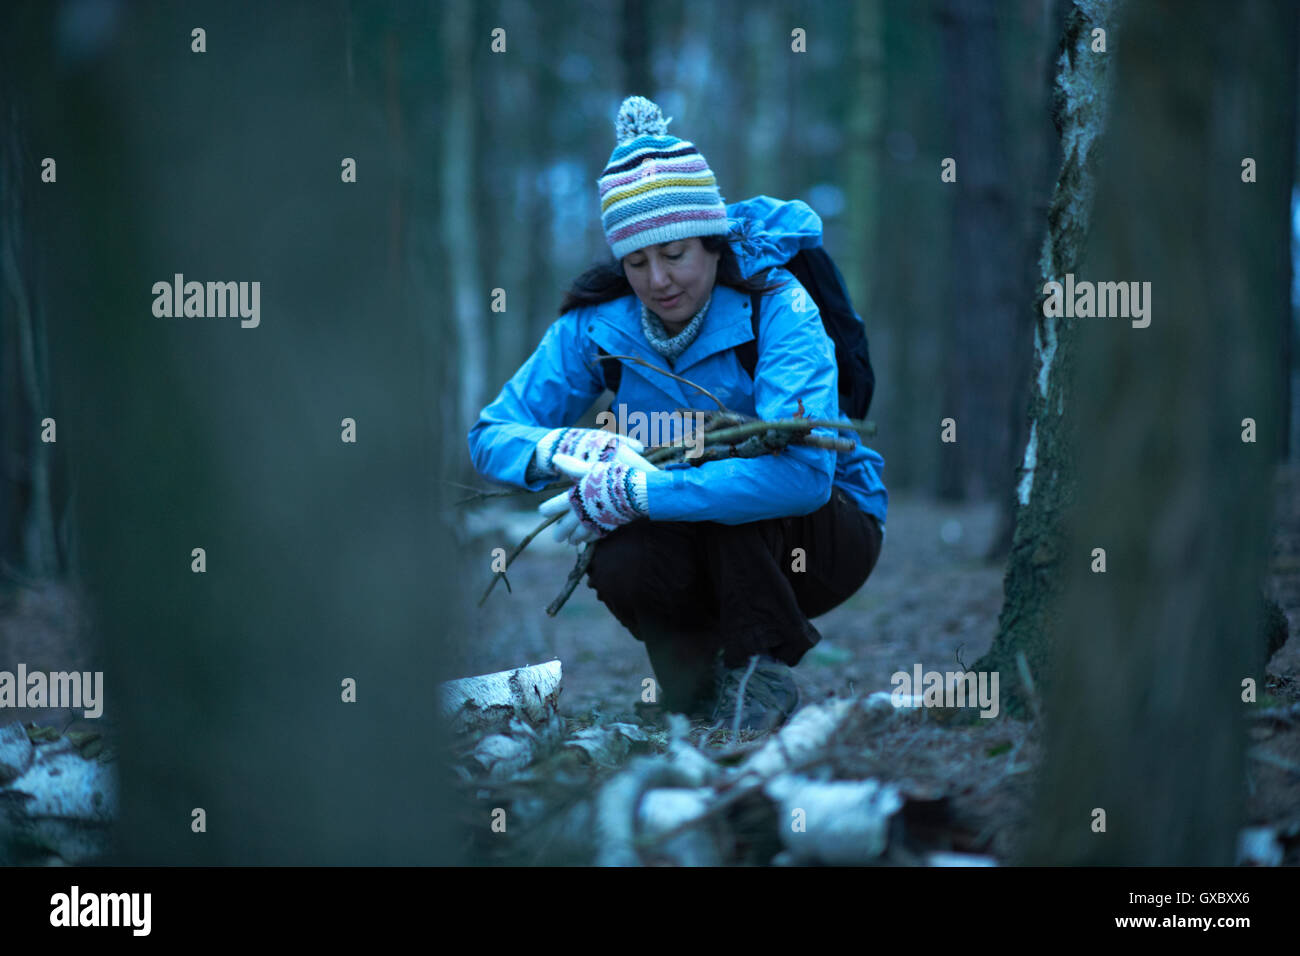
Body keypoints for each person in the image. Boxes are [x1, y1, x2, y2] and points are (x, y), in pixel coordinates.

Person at [468, 95, 888, 732]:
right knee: (621, 554)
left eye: (676, 254)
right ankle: (690, 687)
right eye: (637, 262)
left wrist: (642, 489)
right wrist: (561, 450)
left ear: (713, 244)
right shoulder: (596, 328)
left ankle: (758, 679)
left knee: (735, 495)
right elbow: (491, 433)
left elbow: (804, 477)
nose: (658, 280)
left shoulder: (778, 304)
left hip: (824, 534)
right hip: (689, 543)